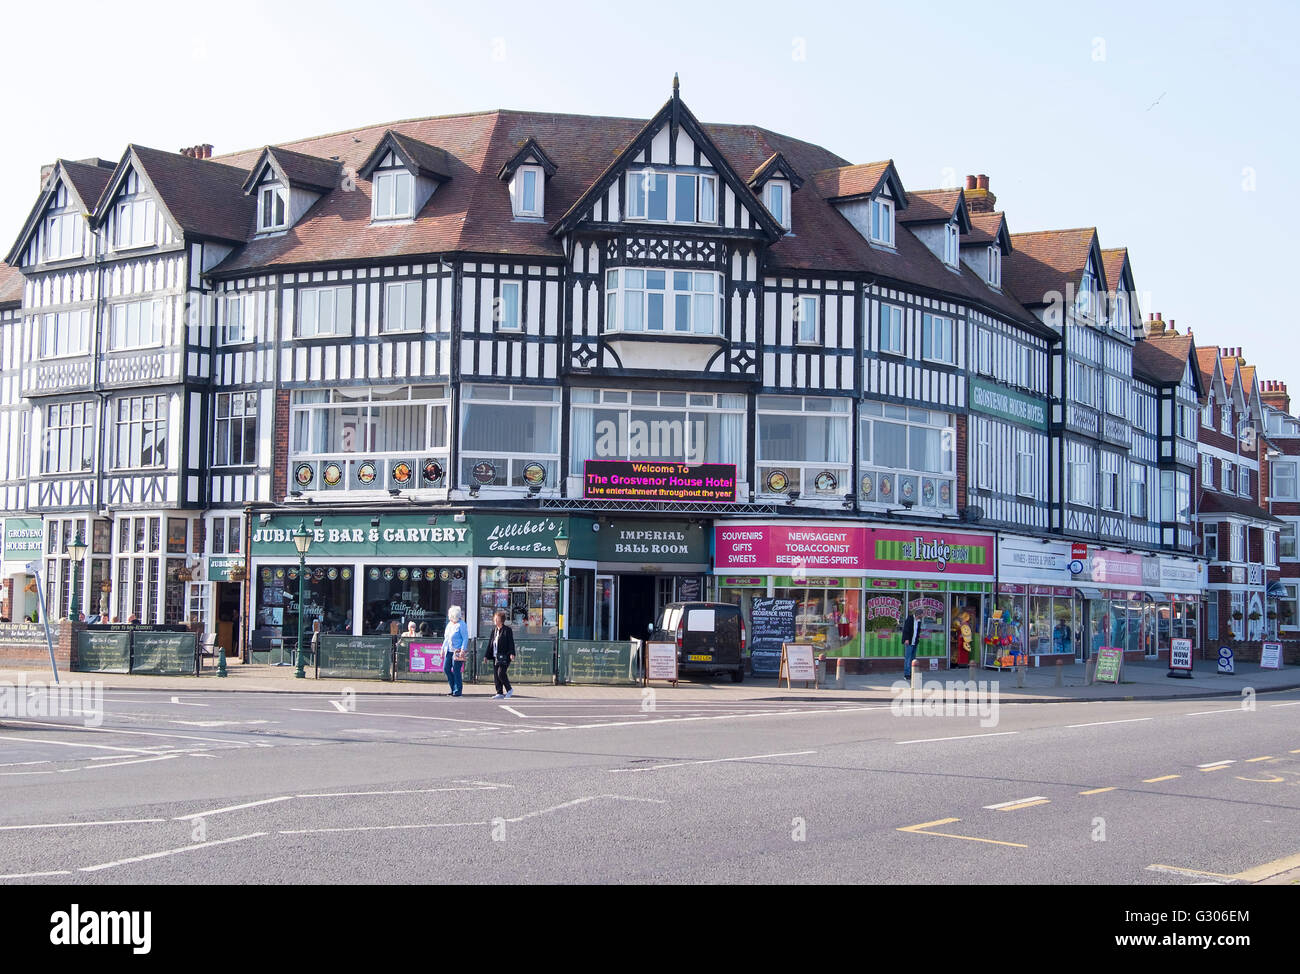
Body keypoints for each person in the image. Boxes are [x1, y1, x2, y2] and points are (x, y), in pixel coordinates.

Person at [486, 608, 516, 699]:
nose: (495, 620)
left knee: (501, 673)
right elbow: (490, 644)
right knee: (496, 674)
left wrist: (512, 653)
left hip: (505, 656)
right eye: (494, 618)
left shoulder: (507, 630)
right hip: (495, 656)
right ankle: (499, 692)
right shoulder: (494, 631)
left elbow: (511, 642)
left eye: (497, 619)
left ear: (501, 620)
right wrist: (486, 655)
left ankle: (509, 689)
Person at [442, 605, 468, 697]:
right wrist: (442, 649)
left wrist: (463, 650)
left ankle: (457, 690)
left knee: (456, 670)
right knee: (446, 668)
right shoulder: (449, 625)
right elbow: (446, 638)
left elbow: (465, 638)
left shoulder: (462, 625)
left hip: (457, 651)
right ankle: (453, 688)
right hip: (449, 650)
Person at [901, 605, 922, 680]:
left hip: (914, 642)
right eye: (921, 615)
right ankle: (907, 674)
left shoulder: (919, 621)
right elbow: (906, 630)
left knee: (913, 658)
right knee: (908, 658)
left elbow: (918, 631)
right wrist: (906, 639)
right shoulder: (910, 619)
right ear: (918, 614)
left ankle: (912, 673)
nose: (922, 616)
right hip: (909, 642)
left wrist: (917, 640)